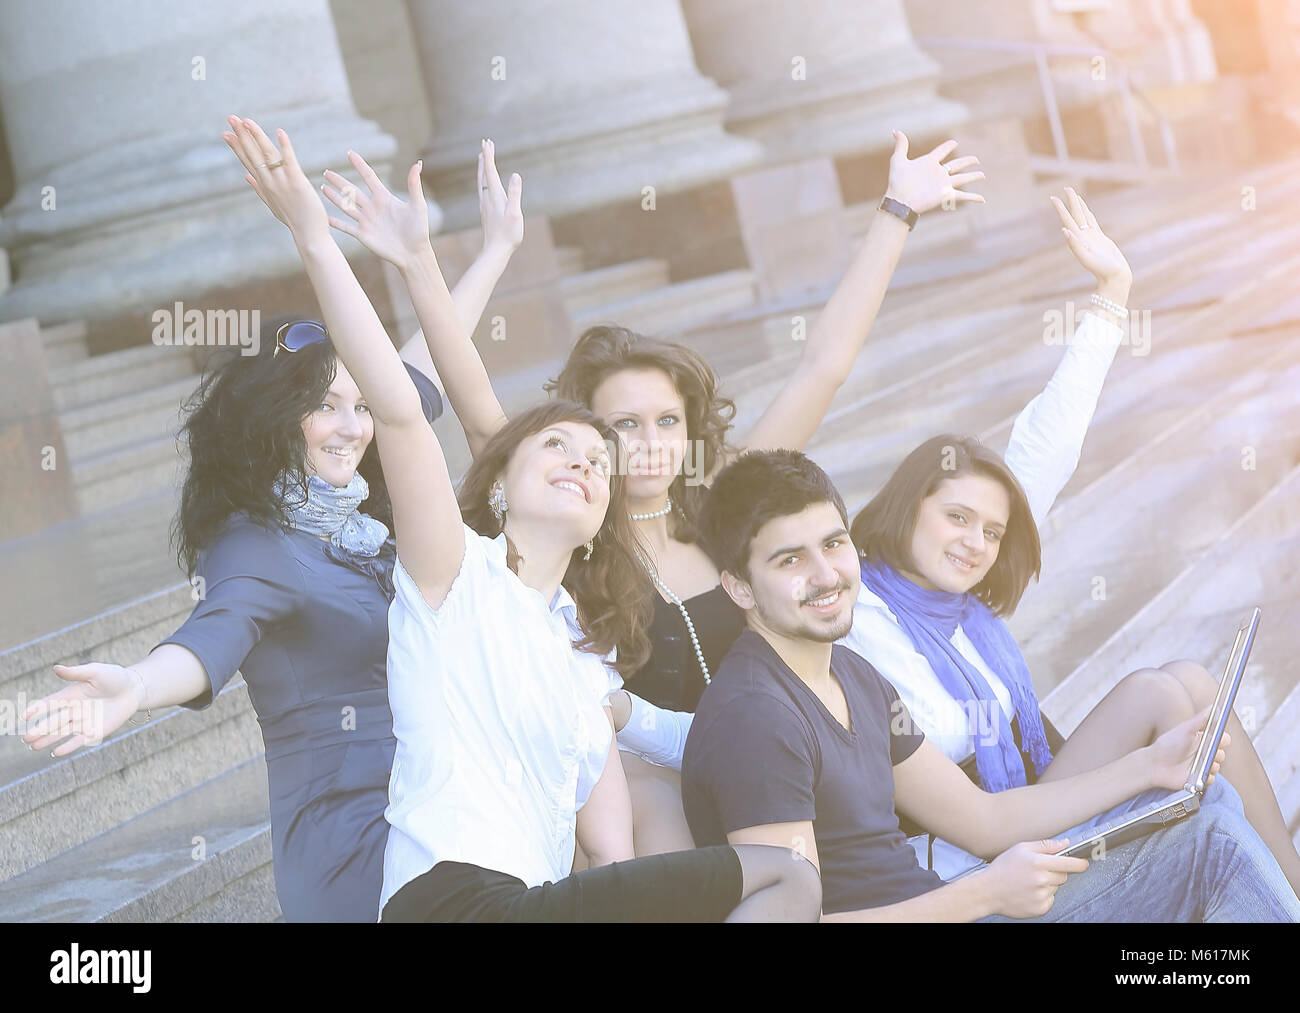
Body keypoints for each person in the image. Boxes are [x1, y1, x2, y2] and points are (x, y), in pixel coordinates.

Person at [222, 115, 822, 922]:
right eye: (559, 445)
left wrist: (818, 706)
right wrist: (321, 241)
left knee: (787, 873)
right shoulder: (452, 573)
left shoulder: (581, 655)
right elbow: (400, 411)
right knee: (781, 878)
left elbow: (614, 840)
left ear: (602, 513)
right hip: (451, 899)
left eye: (596, 462)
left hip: (536, 903)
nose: (585, 460)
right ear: (499, 482)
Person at [324, 132, 986, 853]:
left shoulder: (726, 506)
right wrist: (420, 264)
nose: (648, 440)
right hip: (663, 803)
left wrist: (896, 210)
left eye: (667, 419)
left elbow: (821, 367)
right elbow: (479, 405)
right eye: (622, 423)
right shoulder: (572, 529)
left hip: (787, 778)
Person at [19, 130, 527, 922]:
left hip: (440, 810)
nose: (352, 427)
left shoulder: (361, 520)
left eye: (360, 407)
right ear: (273, 420)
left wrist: (491, 251)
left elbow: (418, 373)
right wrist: (136, 686)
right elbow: (208, 636)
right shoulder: (258, 543)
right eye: (323, 406)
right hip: (359, 845)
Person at [682, 449, 1300, 921]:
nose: (826, 575)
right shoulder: (755, 721)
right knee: (1213, 842)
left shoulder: (850, 674)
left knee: (1208, 809)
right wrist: (983, 893)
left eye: (834, 544)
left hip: (966, 902)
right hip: (963, 908)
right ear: (739, 586)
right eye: (790, 560)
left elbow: (984, 820)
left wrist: (1152, 766)